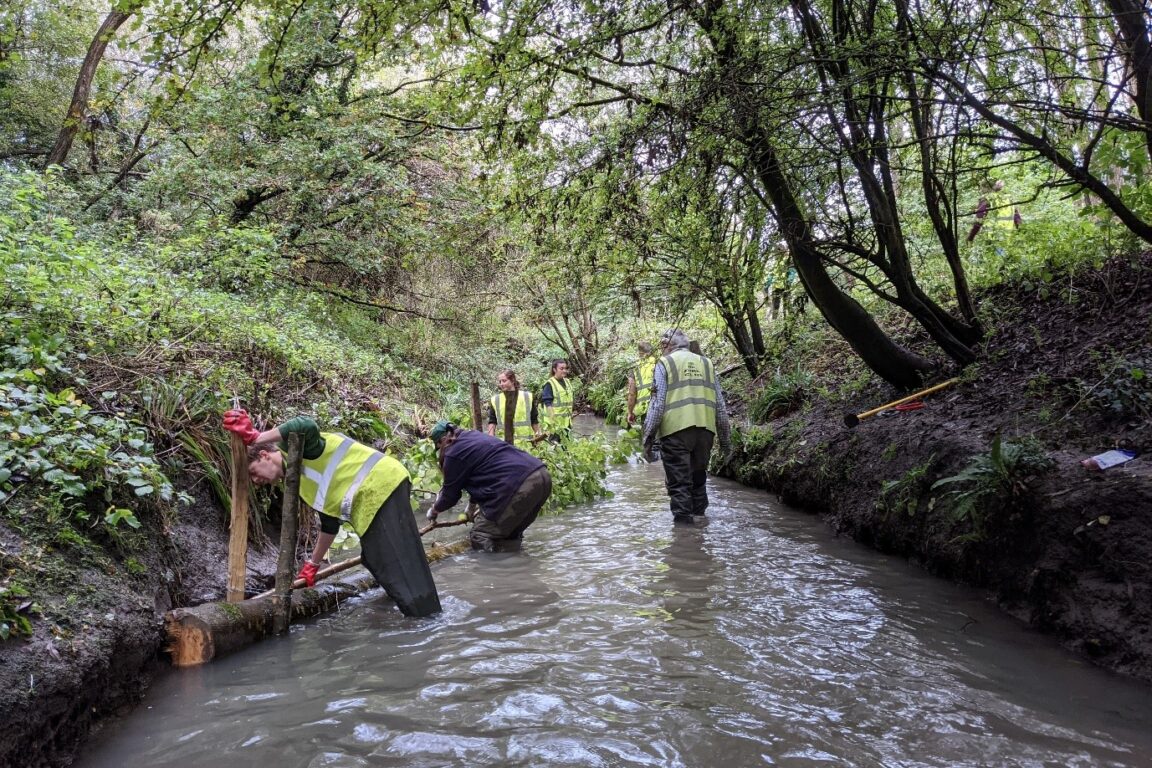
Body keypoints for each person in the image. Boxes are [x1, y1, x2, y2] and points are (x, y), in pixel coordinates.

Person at [222, 410, 441, 617]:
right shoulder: (299, 482)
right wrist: (313, 565)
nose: (256, 481)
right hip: (376, 497)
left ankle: (423, 618)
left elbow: (305, 424)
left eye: (253, 472)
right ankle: (414, 610)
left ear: (264, 455)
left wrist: (255, 437)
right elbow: (329, 523)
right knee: (375, 559)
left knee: (393, 560)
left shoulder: (294, 446)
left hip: (381, 486)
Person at [641, 329, 732, 525]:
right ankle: (700, 530)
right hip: (705, 432)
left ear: (667, 345)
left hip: (676, 433)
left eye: (661, 346)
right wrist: (726, 443)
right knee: (698, 482)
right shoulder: (707, 364)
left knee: (679, 485)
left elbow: (657, 406)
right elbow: (721, 407)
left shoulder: (665, 363)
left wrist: (648, 439)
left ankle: (684, 538)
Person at [426, 420, 552, 552]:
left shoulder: (452, 453)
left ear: (442, 441)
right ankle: (518, 567)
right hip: (541, 475)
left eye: (438, 447)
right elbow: (482, 475)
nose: (440, 451)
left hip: (518, 485)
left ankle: (493, 571)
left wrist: (434, 510)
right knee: (509, 534)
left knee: (480, 535)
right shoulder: (473, 436)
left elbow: (449, 496)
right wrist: (471, 506)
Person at [487, 369, 542, 444]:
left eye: (504, 381)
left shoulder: (527, 397)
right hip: (505, 445)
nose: (501, 384)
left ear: (512, 381)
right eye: (500, 381)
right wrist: (490, 441)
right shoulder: (495, 400)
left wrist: (539, 438)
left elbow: (534, 420)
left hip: (526, 444)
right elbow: (492, 422)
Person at [625, 342, 658, 429]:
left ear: (640, 353)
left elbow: (632, 394)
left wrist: (630, 412)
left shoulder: (635, 368)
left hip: (645, 408)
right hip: (661, 406)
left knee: (648, 438)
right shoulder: (659, 363)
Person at [539, 358, 575, 438]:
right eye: (561, 368)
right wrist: (554, 423)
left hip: (567, 423)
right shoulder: (549, 384)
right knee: (555, 448)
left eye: (565, 368)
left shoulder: (567, 382)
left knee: (566, 448)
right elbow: (548, 404)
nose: (564, 371)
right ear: (554, 369)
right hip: (554, 425)